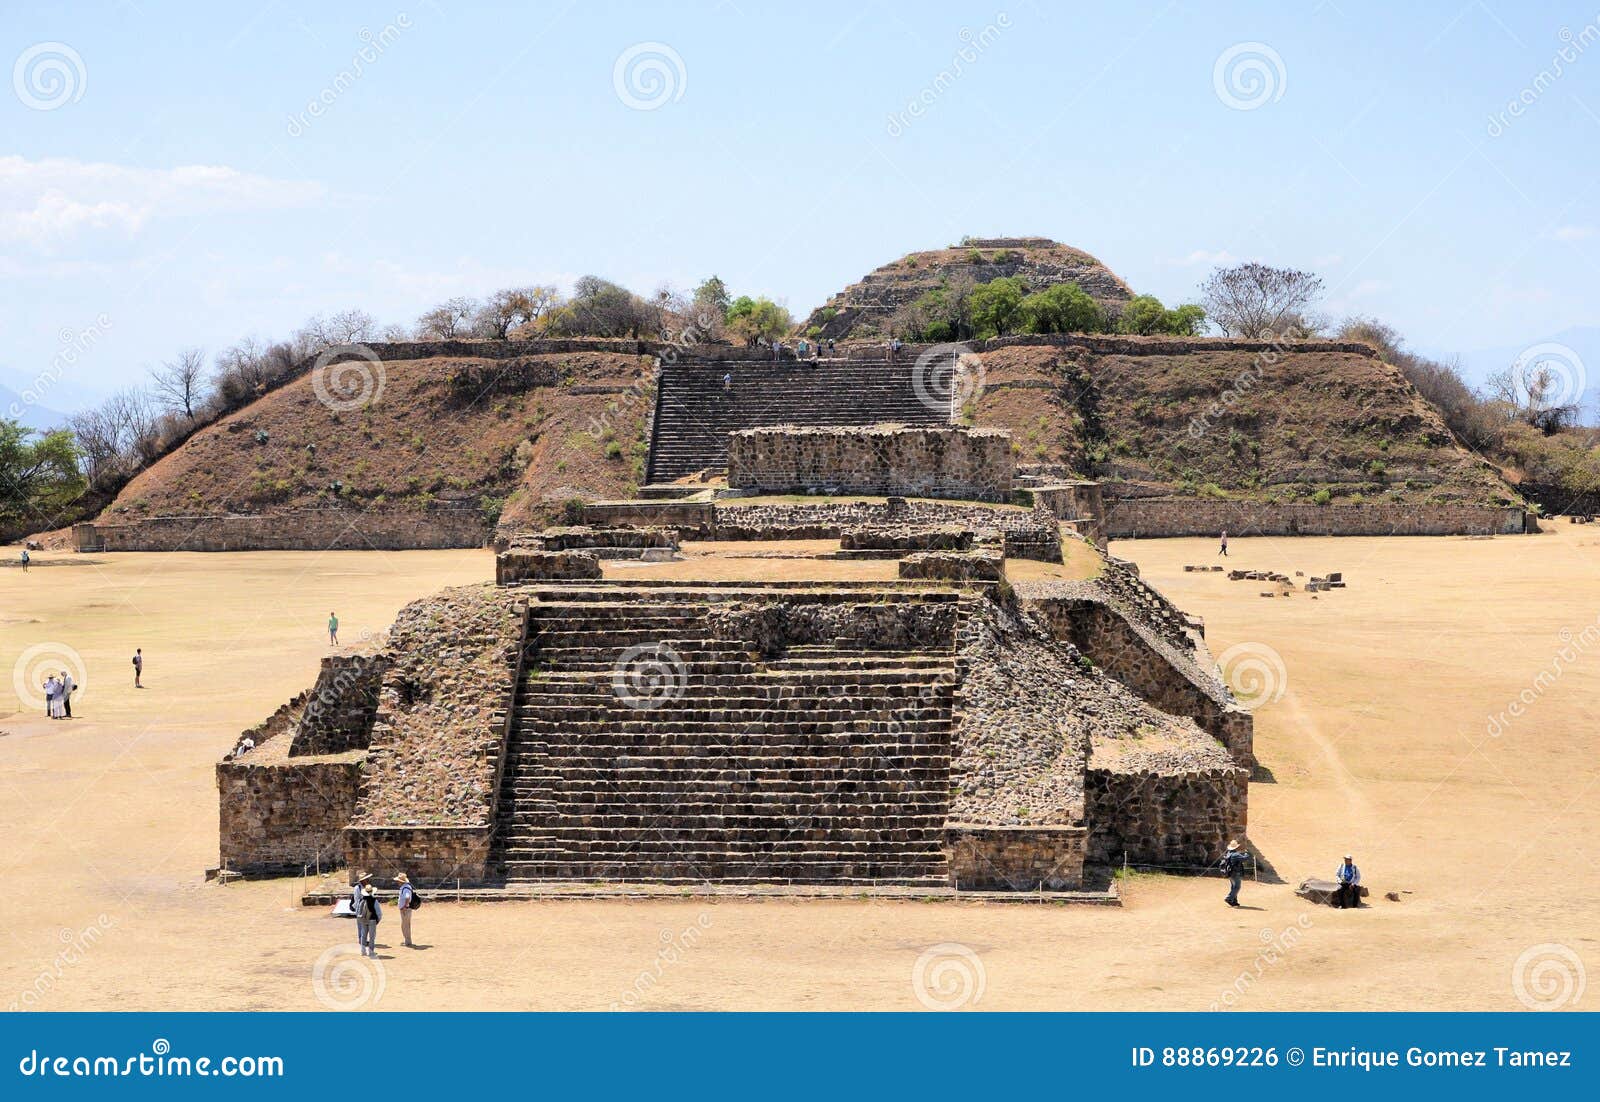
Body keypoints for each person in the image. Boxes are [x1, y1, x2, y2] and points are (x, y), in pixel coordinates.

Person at [352, 872, 378, 956]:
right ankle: (362, 943)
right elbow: (356, 900)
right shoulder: (357, 888)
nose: (367, 880)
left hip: (367, 910)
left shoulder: (366, 887)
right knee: (362, 929)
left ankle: (363, 944)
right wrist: (358, 911)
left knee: (364, 929)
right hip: (361, 910)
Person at [1220, 839, 1248, 907]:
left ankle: (1234, 901)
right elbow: (1244, 858)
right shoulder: (1235, 854)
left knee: (1233, 887)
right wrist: (1246, 854)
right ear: (1236, 847)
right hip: (1235, 873)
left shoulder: (1228, 853)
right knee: (1237, 887)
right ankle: (1229, 898)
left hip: (1230, 873)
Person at [395, 872, 416, 948]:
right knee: (406, 925)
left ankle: (408, 941)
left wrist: (404, 907)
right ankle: (407, 940)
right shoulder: (406, 887)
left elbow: (407, 898)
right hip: (406, 908)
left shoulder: (405, 888)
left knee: (405, 925)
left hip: (405, 909)